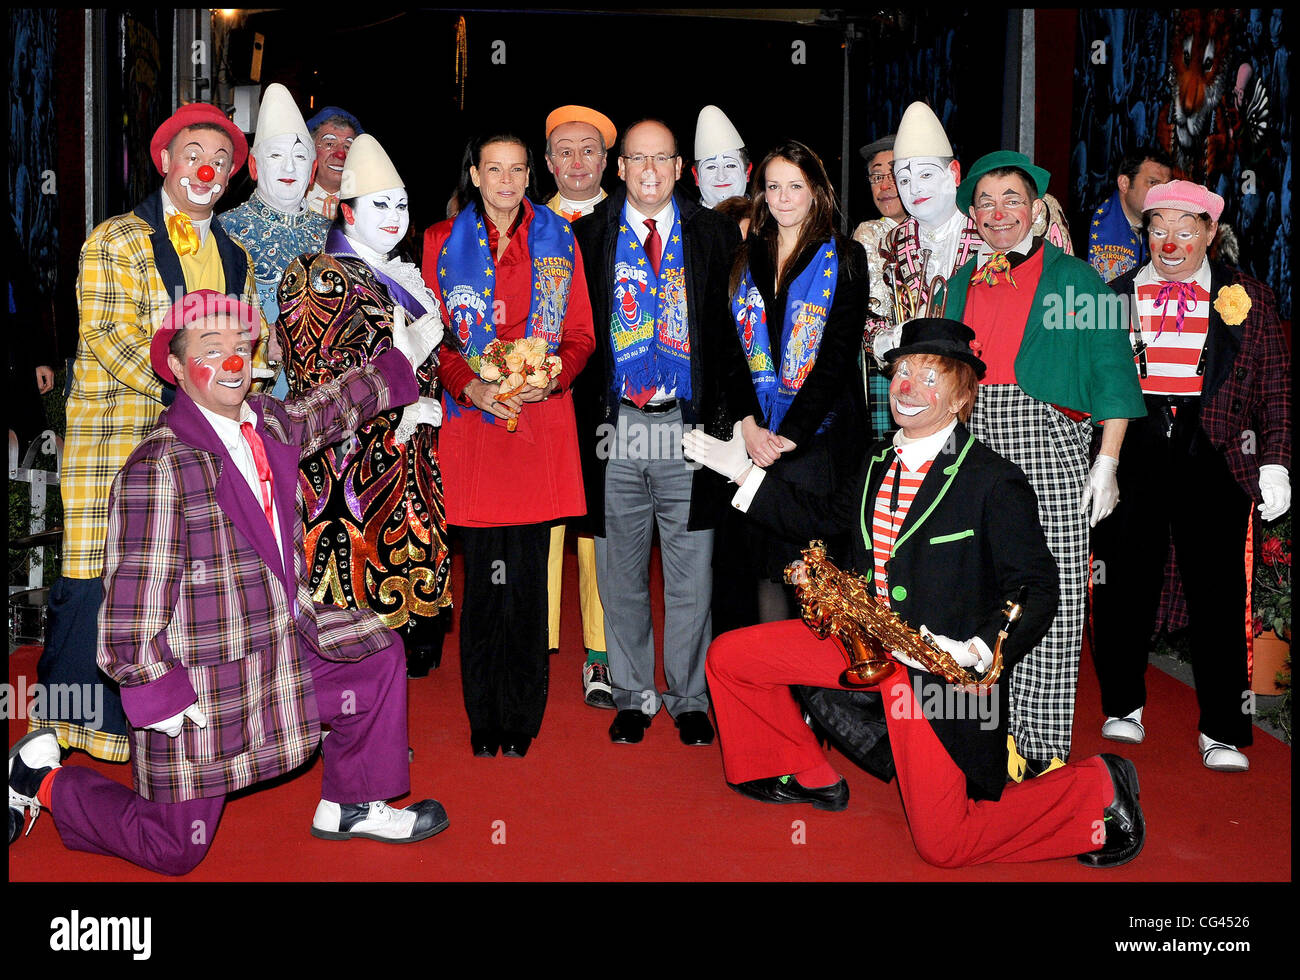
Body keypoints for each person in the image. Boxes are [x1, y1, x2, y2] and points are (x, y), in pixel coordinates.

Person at [8, 290, 449, 874]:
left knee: (374, 656)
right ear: (178, 367)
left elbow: (329, 407)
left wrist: (397, 361)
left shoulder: (267, 422)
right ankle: (39, 782)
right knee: (173, 849)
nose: (233, 361)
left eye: (240, 346)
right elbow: (128, 609)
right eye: (211, 349)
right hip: (204, 684)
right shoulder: (158, 466)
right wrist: (153, 690)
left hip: (281, 647)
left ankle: (350, 804)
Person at [683, 318, 1145, 869]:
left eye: (929, 377)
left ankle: (1097, 791)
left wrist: (977, 650)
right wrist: (744, 475)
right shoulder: (877, 459)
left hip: (936, 674)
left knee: (944, 846)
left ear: (960, 397)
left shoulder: (993, 480)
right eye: (902, 372)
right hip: (864, 641)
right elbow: (826, 519)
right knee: (731, 659)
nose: (907, 388)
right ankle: (802, 771)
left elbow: (1039, 588)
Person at [32, 102, 262, 763]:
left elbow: (249, 343)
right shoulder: (114, 240)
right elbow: (108, 338)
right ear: (164, 161)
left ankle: (151, 727)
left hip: (199, 450)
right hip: (117, 440)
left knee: (172, 584)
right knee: (92, 581)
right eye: (194, 153)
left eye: (220, 161)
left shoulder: (235, 255)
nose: (207, 167)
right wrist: (194, 392)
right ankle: (57, 741)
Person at [943, 150, 1146, 775]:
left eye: (1012, 199)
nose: (999, 212)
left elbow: (1115, 375)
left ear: (1035, 208)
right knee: (975, 594)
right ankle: (978, 738)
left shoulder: (1081, 281)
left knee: (1052, 598)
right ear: (973, 215)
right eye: (986, 201)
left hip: (1048, 442)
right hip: (971, 445)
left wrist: (1106, 463)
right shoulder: (959, 283)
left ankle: (1040, 748)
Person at [1091, 180, 1291, 772]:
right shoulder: (1115, 296)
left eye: (1185, 230)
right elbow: (1097, 383)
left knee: (1218, 594)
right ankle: (1124, 702)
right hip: (1136, 445)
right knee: (1123, 582)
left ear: (1210, 234)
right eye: (1158, 229)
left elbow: (1277, 390)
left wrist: (1277, 461)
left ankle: (1223, 728)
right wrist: (1099, 462)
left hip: (1216, 451)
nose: (1170, 242)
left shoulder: (1248, 298)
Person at [571, 118, 750, 748]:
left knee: (690, 565)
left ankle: (689, 695)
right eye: (637, 159)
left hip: (686, 426)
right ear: (619, 168)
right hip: (618, 425)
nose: (649, 171)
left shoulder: (716, 234)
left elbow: (732, 340)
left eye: (662, 159)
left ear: (681, 168)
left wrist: (732, 427)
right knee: (619, 567)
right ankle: (634, 695)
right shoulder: (588, 235)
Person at [423, 132, 595, 758]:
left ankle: (522, 717)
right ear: (474, 174)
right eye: (493, 169)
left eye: (517, 170)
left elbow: (580, 336)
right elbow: (429, 338)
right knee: (482, 583)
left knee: (525, 579)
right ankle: (483, 718)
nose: (505, 181)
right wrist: (470, 386)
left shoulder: (560, 237)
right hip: (473, 426)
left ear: (530, 174)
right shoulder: (440, 244)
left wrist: (552, 375)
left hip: (538, 425)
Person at [277, 135, 452, 679]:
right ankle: (351, 725)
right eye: (380, 205)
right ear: (346, 211)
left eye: (401, 204)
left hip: (409, 460)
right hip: (348, 467)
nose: (395, 217)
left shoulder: (399, 271)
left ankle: (377, 721)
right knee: (351, 603)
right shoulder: (318, 273)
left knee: (401, 606)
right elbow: (318, 376)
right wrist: (400, 386)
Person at [728, 139, 869, 622]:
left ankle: (820, 699)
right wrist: (748, 424)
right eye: (773, 187)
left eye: (795, 186)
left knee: (812, 578)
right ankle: (778, 694)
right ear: (761, 194)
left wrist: (789, 434)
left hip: (817, 441)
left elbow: (834, 360)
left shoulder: (846, 257)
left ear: (816, 191)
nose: (784, 198)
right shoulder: (745, 257)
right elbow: (732, 352)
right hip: (758, 434)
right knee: (768, 573)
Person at [542, 104, 617, 708]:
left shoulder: (628, 223)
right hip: (539, 390)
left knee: (598, 522)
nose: (576, 161)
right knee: (541, 518)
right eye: (564, 151)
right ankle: (536, 645)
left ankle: (600, 651)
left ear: (607, 161)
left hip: (606, 395)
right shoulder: (528, 223)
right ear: (547, 162)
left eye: (588, 150)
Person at [863, 104, 983, 441]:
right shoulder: (890, 243)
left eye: (926, 174)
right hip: (914, 394)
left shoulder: (986, 232)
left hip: (980, 391)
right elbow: (871, 318)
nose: (914, 188)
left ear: (954, 174)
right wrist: (885, 340)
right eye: (904, 179)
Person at [218, 83, 331, 399]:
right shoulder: (225, 232)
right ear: (254, 166)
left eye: (299, 156)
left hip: (326, 403)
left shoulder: (334, 237)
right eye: (276, 154)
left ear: (313, 171)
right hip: (253, 398)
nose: (289, 167)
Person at [851, 132, 903, 436]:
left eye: (895, 174)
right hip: (880, 368)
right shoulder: (868, 235)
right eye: (876, 176)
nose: (885, 186)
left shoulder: (953, 232)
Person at [1086, 147, 1174, 282]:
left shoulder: (1171, 234)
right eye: (1153, 183)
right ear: (1124, 184)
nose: (1162, 194)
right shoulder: (1083, 228)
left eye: (1166, 187)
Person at [304, 106, 363, 220]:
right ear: (311, 149)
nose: (340, 154)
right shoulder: (290, 201)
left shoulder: (365, 207)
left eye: (347, 146)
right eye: (330, 144)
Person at [692, 105, 750, 209]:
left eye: (730, 166)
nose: (721, 177)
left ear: (747, 172)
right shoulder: (685, 223)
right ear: (696, 176)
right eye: (711, 167)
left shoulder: (768, 221)